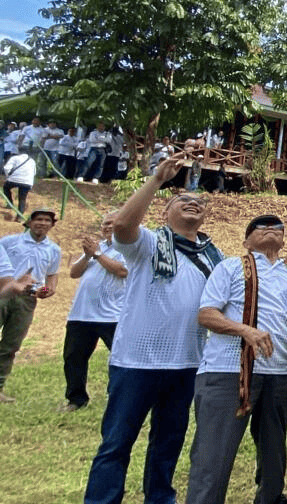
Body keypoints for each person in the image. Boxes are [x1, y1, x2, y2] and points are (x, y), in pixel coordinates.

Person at [84, 153, 225, 504]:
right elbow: (122, 226)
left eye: (198, 202)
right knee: (117, 441)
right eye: (183, 201)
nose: (192, 204)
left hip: (187, 364)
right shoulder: (147, 244)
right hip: (136, 362)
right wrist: (157, 180)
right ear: (165, 212)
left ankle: (160, 497)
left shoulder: (214, 256)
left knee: (169, 441)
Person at [185, 214, 287, 504]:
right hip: (229, 371)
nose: (269, 230)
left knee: (274, 449)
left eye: (277, 227)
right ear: (246, 240)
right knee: (215, 451)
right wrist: (245, 331)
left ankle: (270, 497)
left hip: (279, 371)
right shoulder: (229, 267)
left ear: (283, 239)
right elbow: (206, 314)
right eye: (260, 227)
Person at [61, 214, 126, 412]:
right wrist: (89, 255)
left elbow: (122, 271)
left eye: (113, 224)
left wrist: (96, 254)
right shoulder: (97, 248)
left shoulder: (127, 248)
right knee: (73, 358)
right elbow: (74, 273)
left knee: (120, 358)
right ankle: (76, 399)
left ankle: (117, 398)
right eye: (105, 223)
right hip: (81, 315)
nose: (108, 227)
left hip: (112, 316)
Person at [0, 208, 62, 403]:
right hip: (4, 293)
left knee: (11, 344)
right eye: (38, 219)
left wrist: (49, 289)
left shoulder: (54, 250)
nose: (42, 223)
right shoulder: (9, 242)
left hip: (27, 298)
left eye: (47, 220)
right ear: (29, 222)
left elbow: (52, 274)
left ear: (52, 225)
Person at [3, 148, 36, 216]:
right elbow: (34, 173)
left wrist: (8, 176)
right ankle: (19, 216)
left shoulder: (15, 158)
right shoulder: (32, 161)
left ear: (19, 152)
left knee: (6, 188)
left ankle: (10, 203)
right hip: (27, 182)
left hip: (14, 180)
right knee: (22, 199)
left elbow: (6, 168)